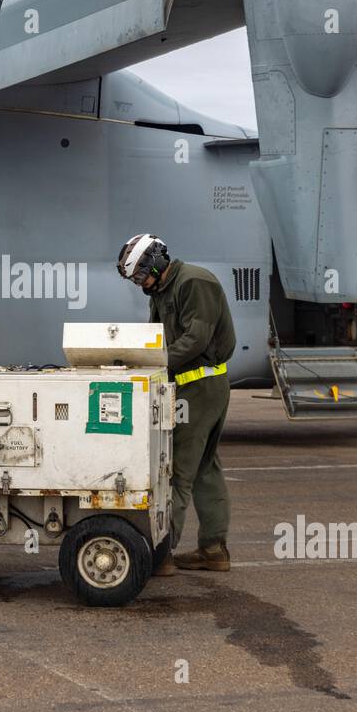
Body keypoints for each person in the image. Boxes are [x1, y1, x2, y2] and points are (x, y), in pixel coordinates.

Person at [117, 233, 236, 574]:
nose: (140, 284)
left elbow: (196, 339)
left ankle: (160, 554)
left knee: (177, 473)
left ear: (155, 261)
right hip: (193, 384)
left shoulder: (194, 282)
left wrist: (153, 364)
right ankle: (213, 549)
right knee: (205, 467)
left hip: (198, 387)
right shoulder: (162, 289)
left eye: (141, 276)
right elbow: (157, 337)